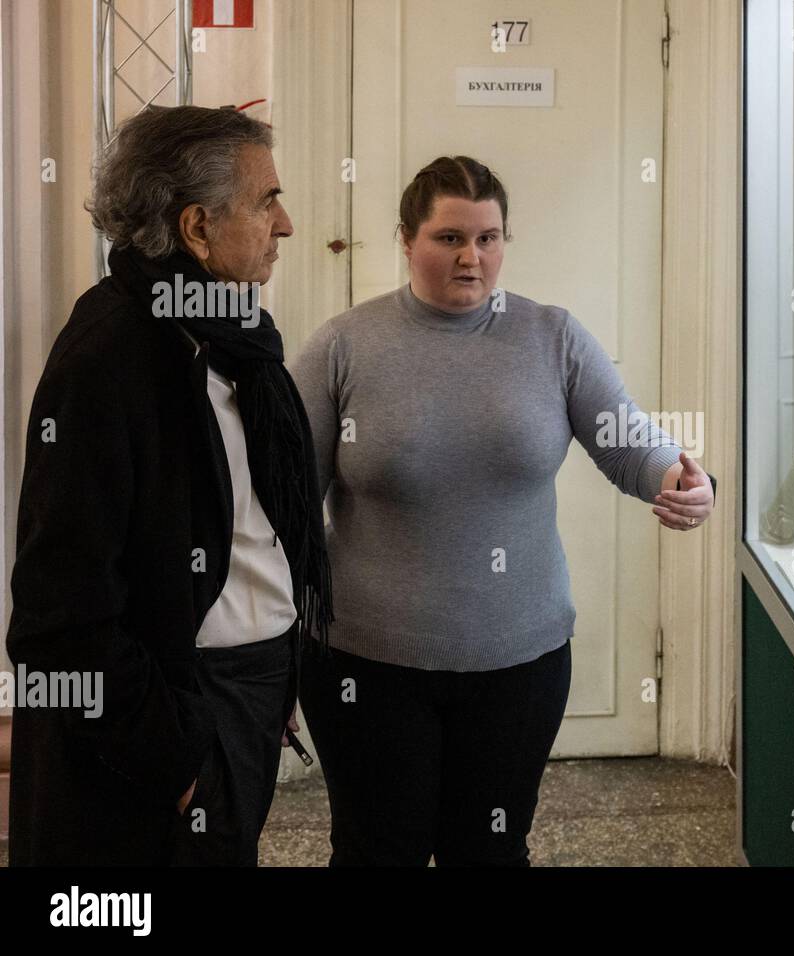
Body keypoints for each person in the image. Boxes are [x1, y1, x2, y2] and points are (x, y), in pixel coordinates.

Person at [290, 155, 715, 866]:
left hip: (518, 662)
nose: (472, 257)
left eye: (488, 238)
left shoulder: (551, 337)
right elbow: (287, 500)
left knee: (487, 850)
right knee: (375, 850)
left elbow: (627, 440)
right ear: (405, 239)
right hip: (365, 663)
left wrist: (678, 478)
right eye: (449, 238)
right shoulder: (344, 345)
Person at [5, 105, 331, 865]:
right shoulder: (109, 356)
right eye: (265, 201)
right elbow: (60, 619)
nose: (284, 224)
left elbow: (254, 534)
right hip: (170, 724)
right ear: (196, 229)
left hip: (244, 697)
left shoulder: (232, 338)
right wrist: (176, 762)